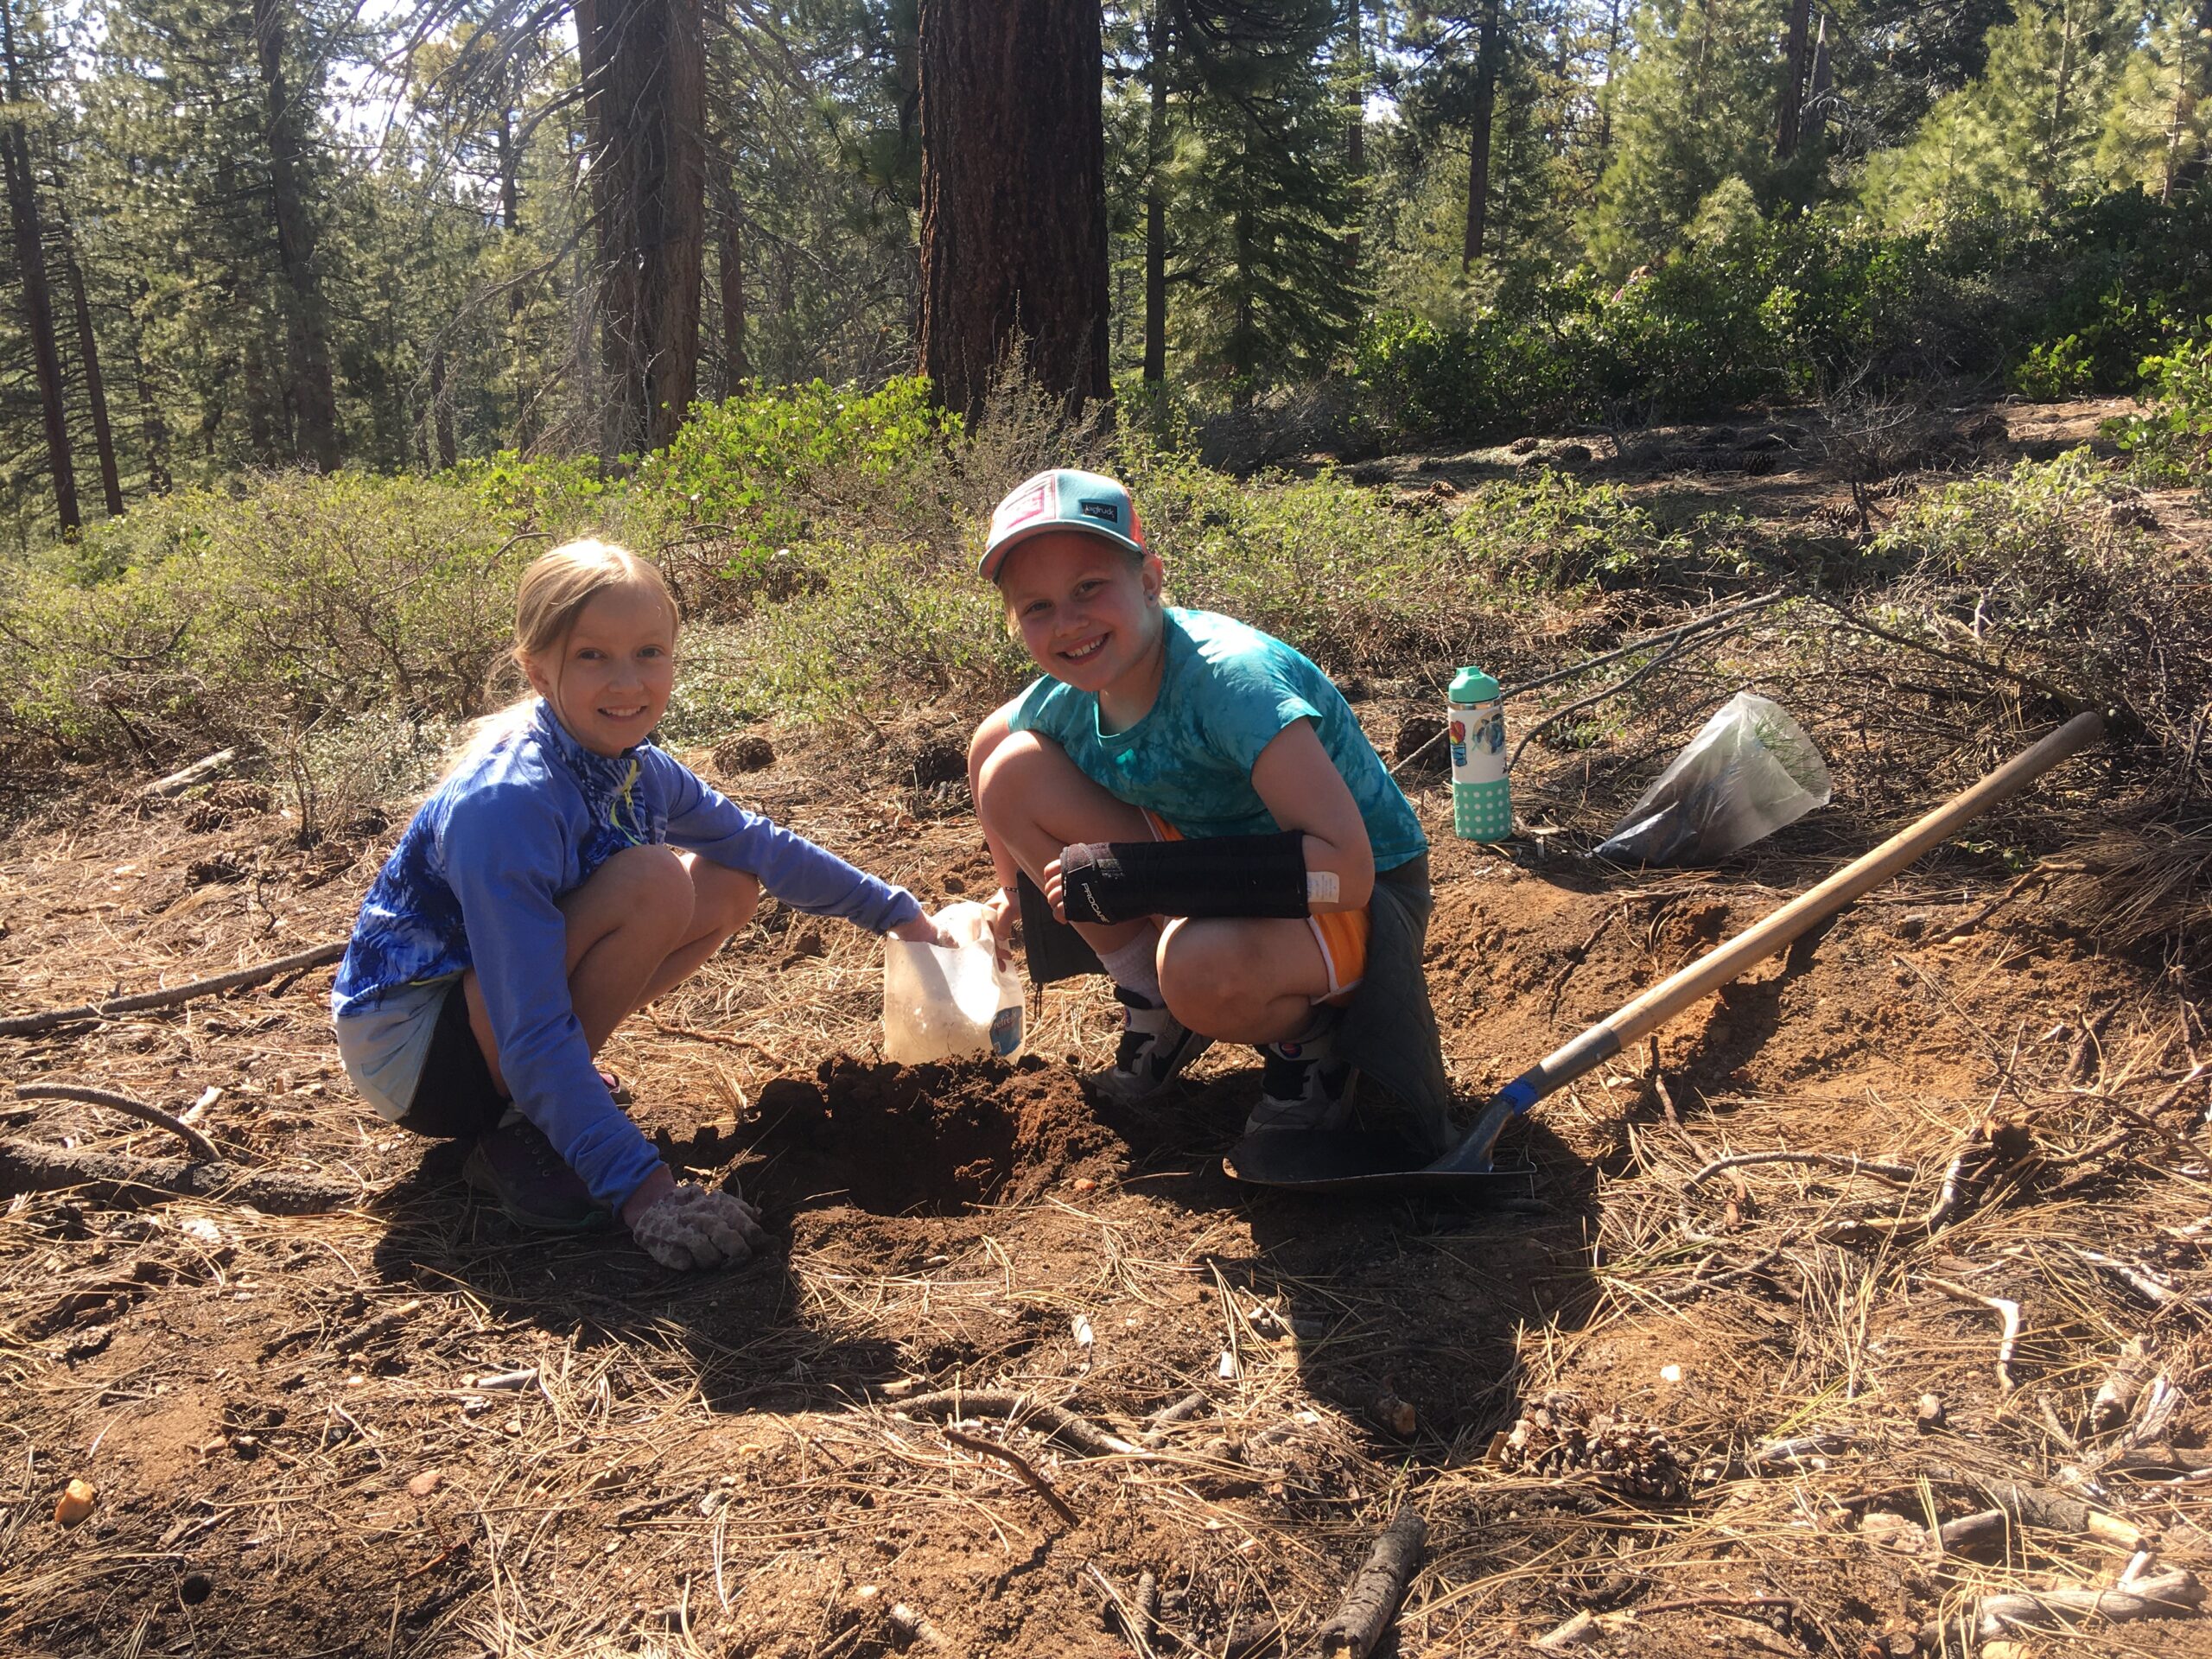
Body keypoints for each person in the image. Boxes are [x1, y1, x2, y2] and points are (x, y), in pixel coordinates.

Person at [333, 539, 942, 1270]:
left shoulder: (636, 768)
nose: (627, 682)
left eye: (649, 652)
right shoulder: (506, 803)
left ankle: (550, 1096)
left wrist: (897, 914)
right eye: (592, 656)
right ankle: (522, 1126)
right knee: (655, 881)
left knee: (727, 880)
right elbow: (528, 1022)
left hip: (488, 1013)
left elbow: (757, 845)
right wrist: (644, 1190)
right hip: (416, 1055)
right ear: (538, 670)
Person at [966, 468, 1451, 1153]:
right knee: (1007, 768)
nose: (1068, 622)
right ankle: (1156, 1004)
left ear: (1150, 580)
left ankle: (1311, 1047)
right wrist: (1009, 892)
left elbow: (1348, 871)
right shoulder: (1077, 689)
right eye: (1037, 607)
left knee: (1197, 965)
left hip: (1358, 899)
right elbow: (988, 749)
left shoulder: (1232, 685)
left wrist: (1144, 880)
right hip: (1231, 870)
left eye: (1089, 588)